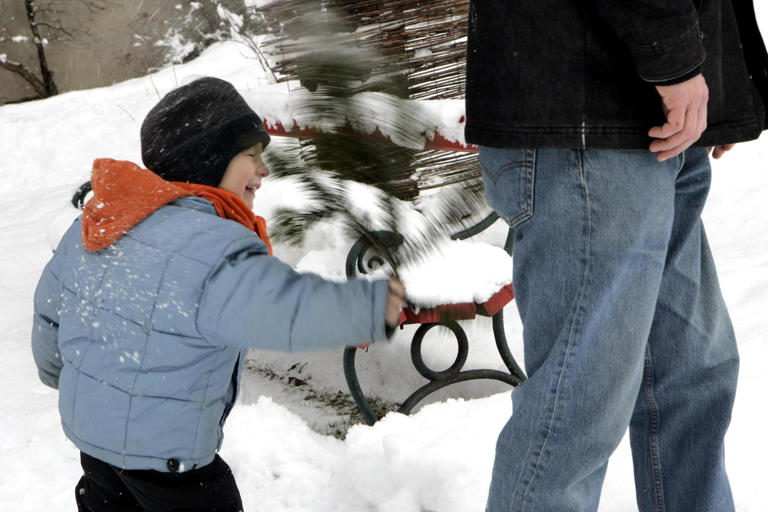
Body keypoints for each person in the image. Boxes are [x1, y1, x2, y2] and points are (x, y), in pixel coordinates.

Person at [31, 76, 406, 511]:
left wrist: (72, 382)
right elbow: (280, 308)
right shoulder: (210, 248)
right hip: (170, 466)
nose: (263, 170)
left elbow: (50, 319)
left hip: (93, 446)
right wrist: (366, 308)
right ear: (207, 160)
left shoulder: (99, 225)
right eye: (251, 155)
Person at [465, 1, 767, 511]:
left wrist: (719, 83)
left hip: (645, 118)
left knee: (692, 378)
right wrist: (675, 61)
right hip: (587, 118)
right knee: (576, 408)